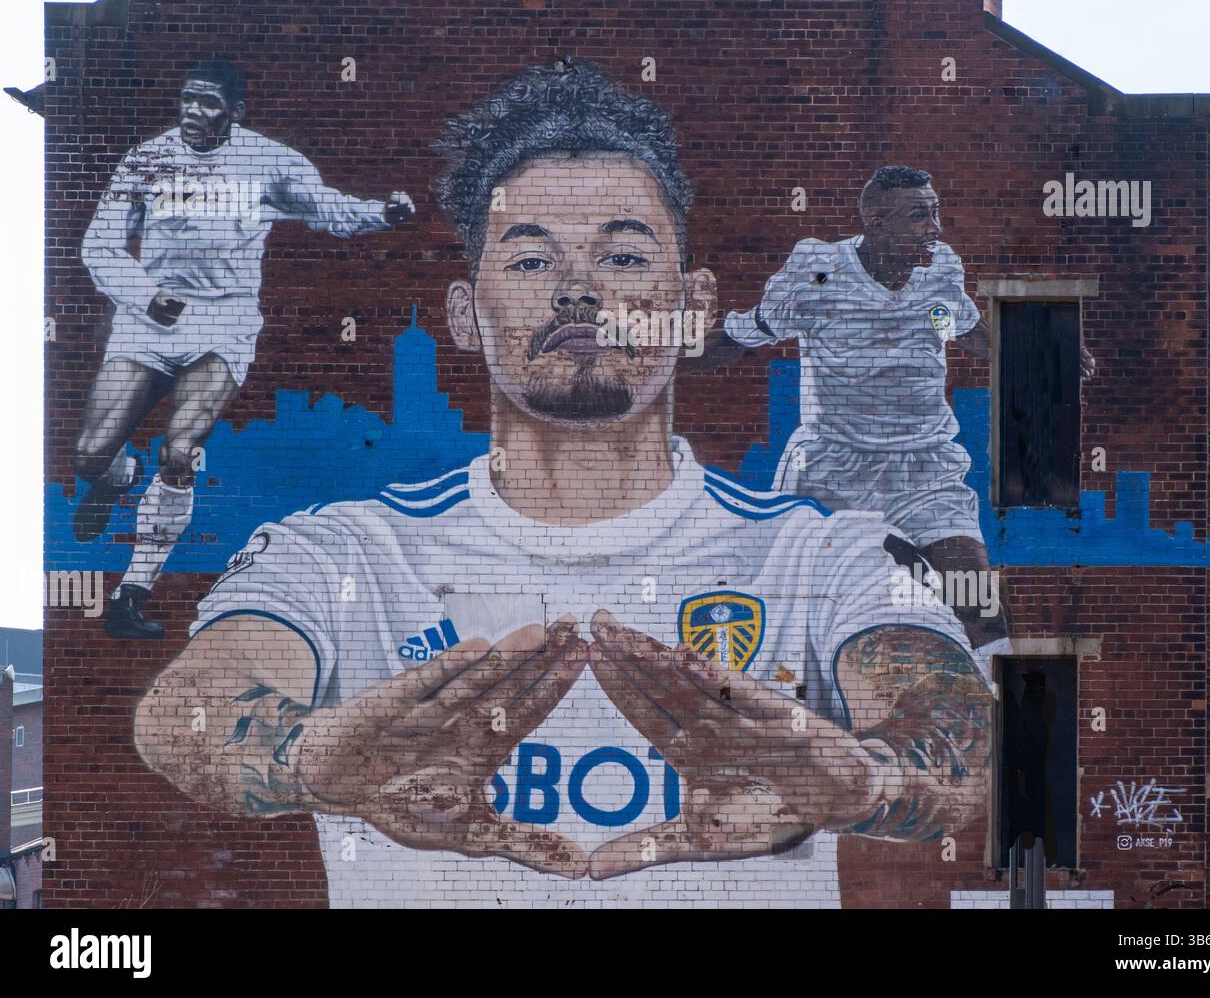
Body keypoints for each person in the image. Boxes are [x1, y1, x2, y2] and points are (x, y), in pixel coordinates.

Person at [133, 62, 992, 908]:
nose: (579, 289)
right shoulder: (342, 548)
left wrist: (863, 781)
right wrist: (308, 761)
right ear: (467, 314)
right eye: (532, 260)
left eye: (622, 254)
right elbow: (181, 710)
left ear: (691, 306)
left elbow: (963, 733)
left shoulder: (828, 548)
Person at [686, 165, 1095, 652]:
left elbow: (963, 332)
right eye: (919, 216)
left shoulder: (939, 271)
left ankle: (1002, 720)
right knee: (808, 616)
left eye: (935, 213)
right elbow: (739, 336)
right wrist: (658, 363)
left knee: (979, 608)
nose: (935, 229)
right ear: (877, 225)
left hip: (925, 471)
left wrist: (1040, 350)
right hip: (833, 472)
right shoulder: (818, 274)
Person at [76, 59, 414, 639]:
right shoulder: (148, 160)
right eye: (186, 99)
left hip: (224, 322)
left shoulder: (269, 161)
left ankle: (132, 593)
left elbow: (326, 207)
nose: (192, 112)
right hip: (149, 315)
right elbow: (99, 244)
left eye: (207, 103)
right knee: (89, 452)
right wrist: (144, 294)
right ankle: (115, 478)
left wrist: (381, 213)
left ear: (234, 112)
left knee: (180, 452)